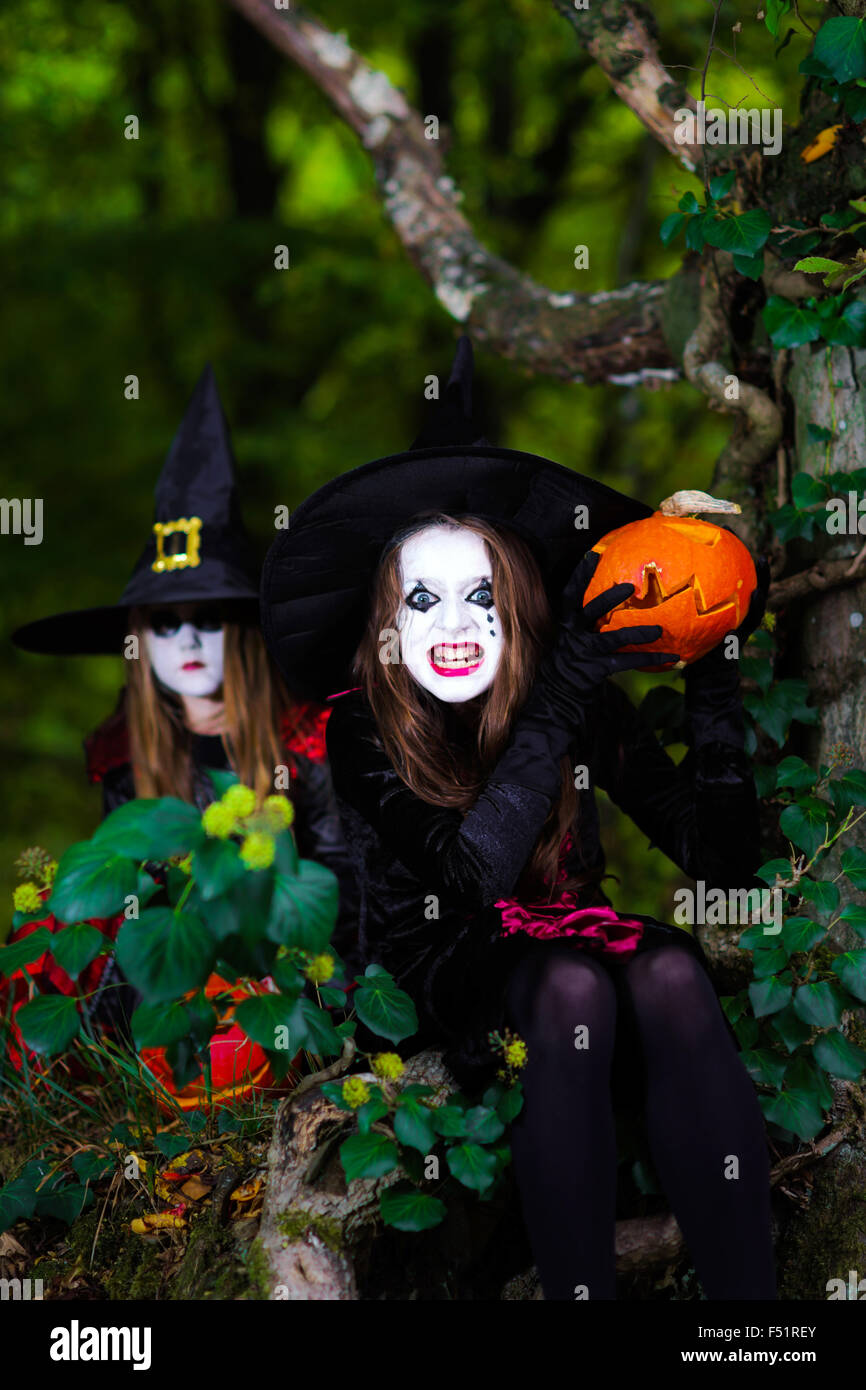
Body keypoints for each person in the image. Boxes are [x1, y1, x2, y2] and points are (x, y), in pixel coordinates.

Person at [260, 336, 777, 1301]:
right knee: (574, 987)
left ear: (524, 611)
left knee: (667, 967)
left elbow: (725, 862)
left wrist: (709, 676)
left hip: (566, 950)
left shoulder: (568, 694)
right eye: (425, 599)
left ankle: (751, 1320)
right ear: (388, 629)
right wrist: (570, 682)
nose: (455, 625)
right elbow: (469, 880)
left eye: (483, 597)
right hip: (436, 968)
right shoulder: (361, 729)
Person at [10, 365, 356, 1038]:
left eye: (211, 617)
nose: (188, 638)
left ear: (248, 632)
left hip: (286, 986)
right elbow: (128, 905)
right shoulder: (128, 759)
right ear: (140, 641)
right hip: (173, 1001)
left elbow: (340, 884)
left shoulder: (308, 741)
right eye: (165, 623)